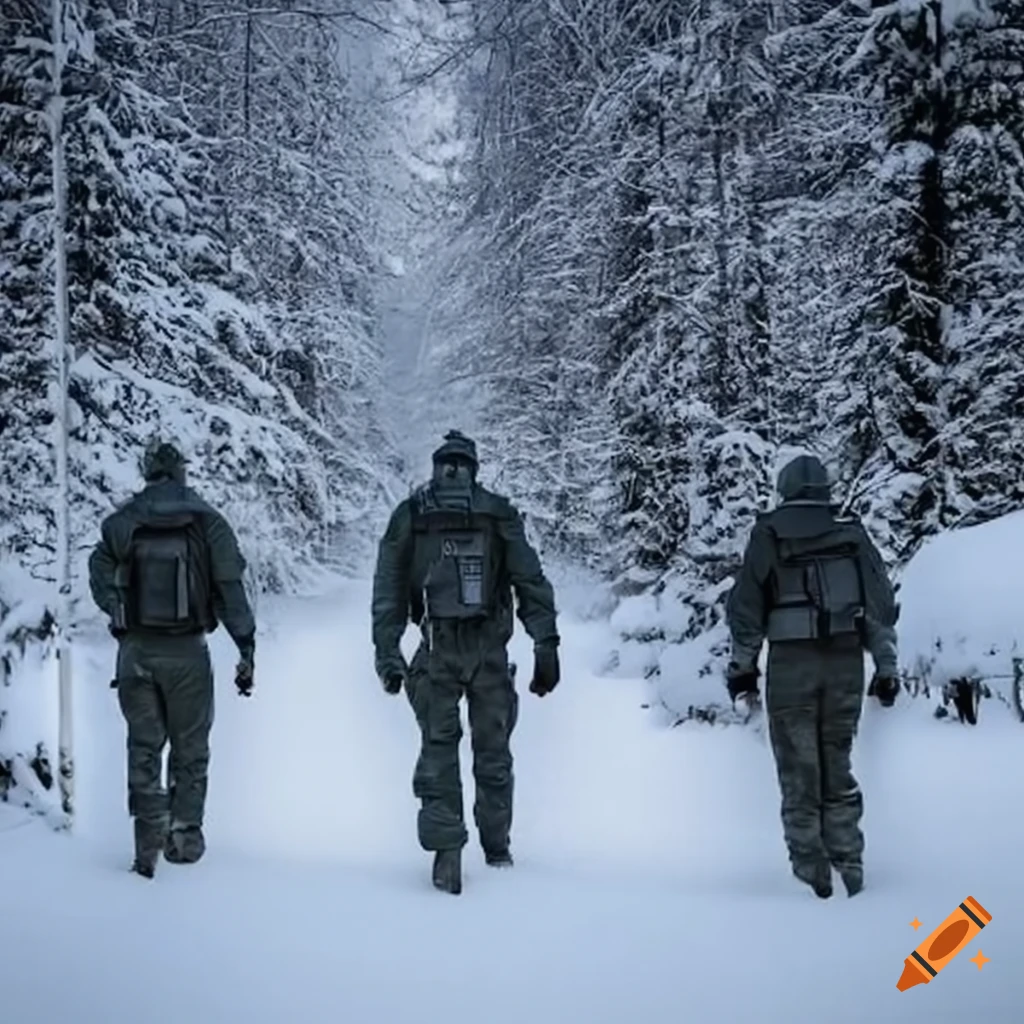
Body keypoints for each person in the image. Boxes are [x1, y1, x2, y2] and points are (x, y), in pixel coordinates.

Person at [371, 430, 560, 895]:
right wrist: (545, 643)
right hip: (489, 652)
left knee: (439, 748)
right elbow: (529, 580)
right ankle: (497, 849)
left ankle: (447, 854)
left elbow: (388, 589)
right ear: (474, 467)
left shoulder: (411, 513)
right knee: (493, 752)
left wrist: (388, 653)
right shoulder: (497, 511)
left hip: (436, 648)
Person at [724, 454, 899, 899]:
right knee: (837, 763)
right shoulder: (851, 533)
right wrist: (886, 665)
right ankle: (850, 862)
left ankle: (811, 869)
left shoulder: (769, 534)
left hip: (791, 664)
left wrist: (743, 668)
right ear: (825, 488)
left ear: (784, 489)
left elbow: (747, 610)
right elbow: (879, 607)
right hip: (843, 661)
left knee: (798, 767)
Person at [88, 439, 256, 878]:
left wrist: (116, 606)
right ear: (182, 472)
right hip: (187, 655)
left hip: (136, 654)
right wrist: (246, 646)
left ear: (147, 471)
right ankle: (184, 839)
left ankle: (146, 846)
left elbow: (98, 571)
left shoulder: (122, 522)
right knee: (191, 747)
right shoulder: (208, 521)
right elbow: (231, 589)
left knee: (144, 747)